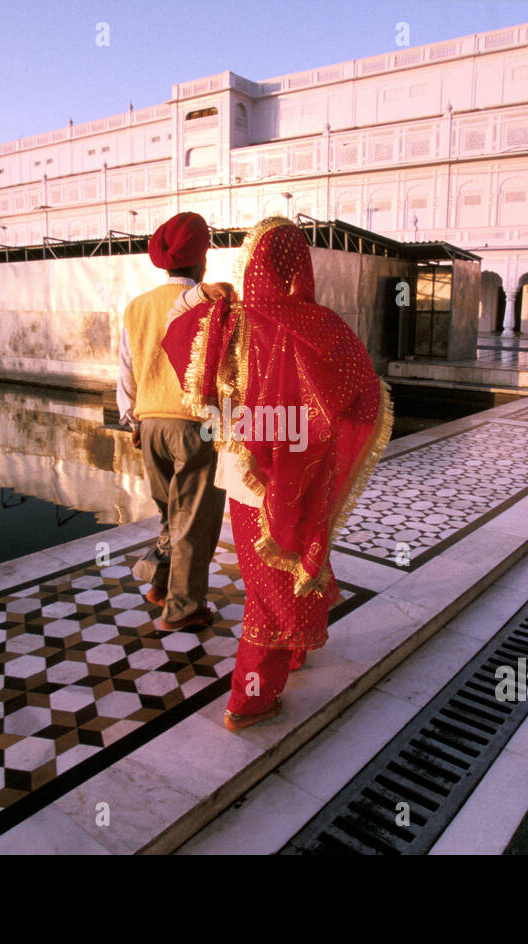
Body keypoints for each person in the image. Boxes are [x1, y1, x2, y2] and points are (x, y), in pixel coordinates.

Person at [162, 217, 392, 730]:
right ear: (298, 266)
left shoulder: (228, 318)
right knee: (279, 578)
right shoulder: (320, 326)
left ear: (249, 264)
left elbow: (176, 339)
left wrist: (201, 299)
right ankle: (249, 700)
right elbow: (363, 389)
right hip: (301, 473)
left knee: (267, 577)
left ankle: (290, 651)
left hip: (245, 477)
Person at [116, 211, 226, 628]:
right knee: (194, 520)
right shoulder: (209, 303)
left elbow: (125, 369)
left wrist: (133, 423)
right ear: (202, 258)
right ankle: (183, 609)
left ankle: (159, 585)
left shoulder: (137, 306)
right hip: (194, 424)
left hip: (150, 424)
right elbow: (224, 371)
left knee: (169, 514)